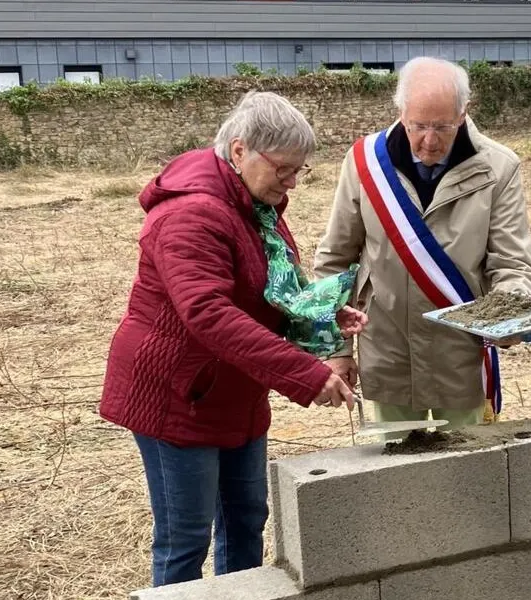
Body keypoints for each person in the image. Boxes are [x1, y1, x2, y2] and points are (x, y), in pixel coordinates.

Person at [98, 91, 367, 587]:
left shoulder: (257, 205)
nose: (291, 182)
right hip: (177, 395)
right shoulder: (189, 214)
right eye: (284, 168)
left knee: (247, 518)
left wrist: (321, 314)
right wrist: (305, 373)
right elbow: (209, 313)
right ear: (240, 150)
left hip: (236, 390)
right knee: (185, 537)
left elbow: (273, 290)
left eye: (299, 171)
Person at [313, 56, 531, 432]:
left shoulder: (499, 167)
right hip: (387, 354)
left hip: (460, 358)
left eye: (443, 127)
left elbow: (512, 263)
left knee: (471, 472)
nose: (429, 141)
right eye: (418, 126)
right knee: (396, 476)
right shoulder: (365, 163)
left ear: (464, 113)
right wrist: (335, 350)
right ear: (400, 111)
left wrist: (512, 315)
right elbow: (334, 262)